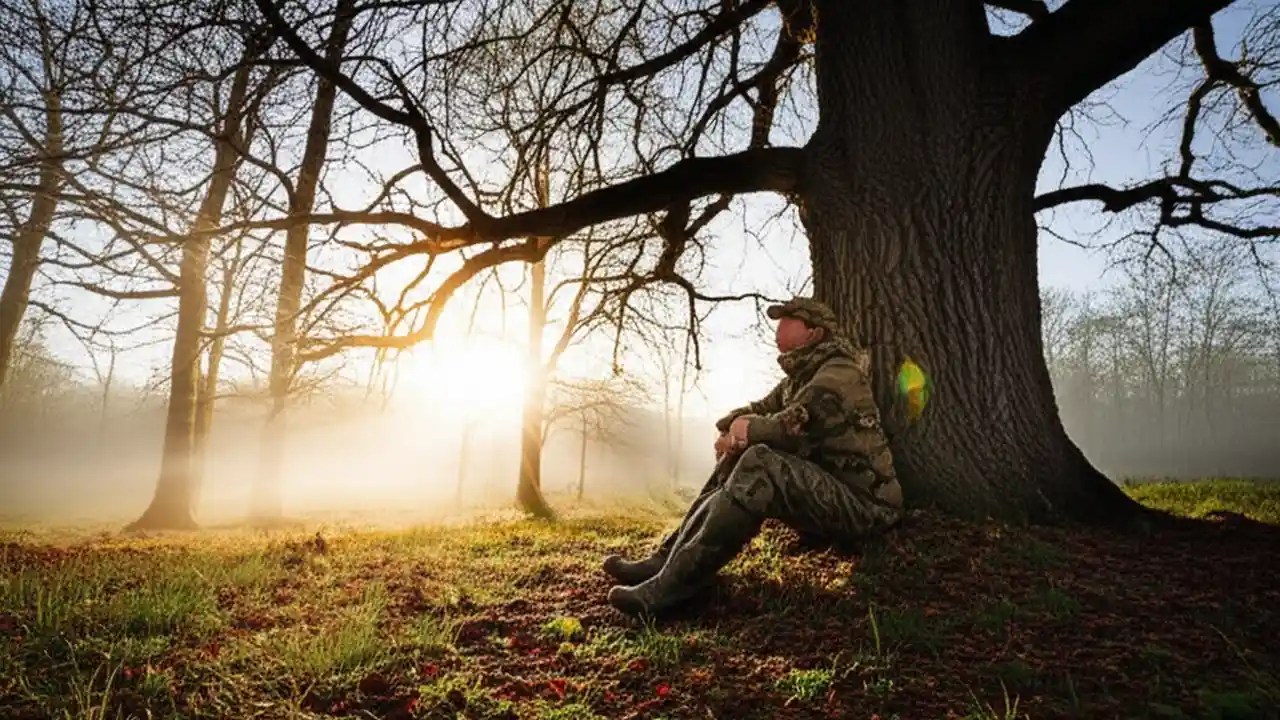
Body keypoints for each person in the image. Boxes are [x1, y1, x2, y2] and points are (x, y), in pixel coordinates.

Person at [602, 296, 904, 617]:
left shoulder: (839, 373)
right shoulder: (799, 378)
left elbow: (792, 426)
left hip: (866, 507)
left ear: (815, 333)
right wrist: (729, 426)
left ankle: (675, 589)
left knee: (758, 459)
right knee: (740, 456)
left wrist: (747, 430)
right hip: (832, 493)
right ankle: (667, 561)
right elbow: (760, 409)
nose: (779, 325)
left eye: (790, 319)